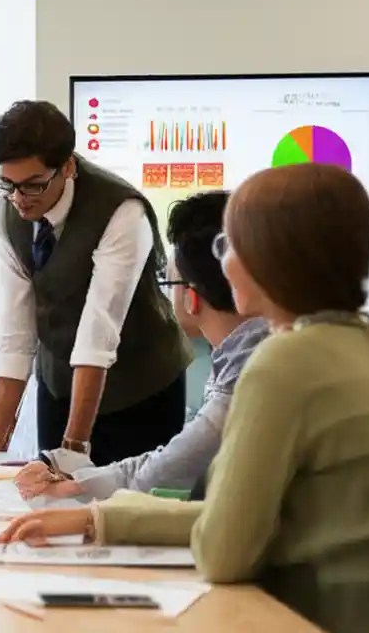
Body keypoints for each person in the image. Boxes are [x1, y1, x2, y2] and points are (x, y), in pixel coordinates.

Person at [0, 164, 369, 633]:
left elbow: (224, 553)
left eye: (229, 245)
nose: (223, 260)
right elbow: (252, 522)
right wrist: (98, 520)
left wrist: (93, 513)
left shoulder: (283, 363)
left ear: (268, 261)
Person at [14, 190, 269, 500]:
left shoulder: (249, 372)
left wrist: (74, 486)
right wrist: (76, 480)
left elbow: (165, 476)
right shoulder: (244, 354)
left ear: (191, 298)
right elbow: (164, 462)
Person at [0, 101, 193, 466]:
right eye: (7, 183)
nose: (18, 198)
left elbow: (99, 335)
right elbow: (17, 333)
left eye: (32, 185)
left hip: (140, 389)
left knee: (126, 511)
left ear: (68, 167)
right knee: (51, 505)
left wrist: (74, 449)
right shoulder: (8, 214)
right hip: (61, 384)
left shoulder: (121, 212)